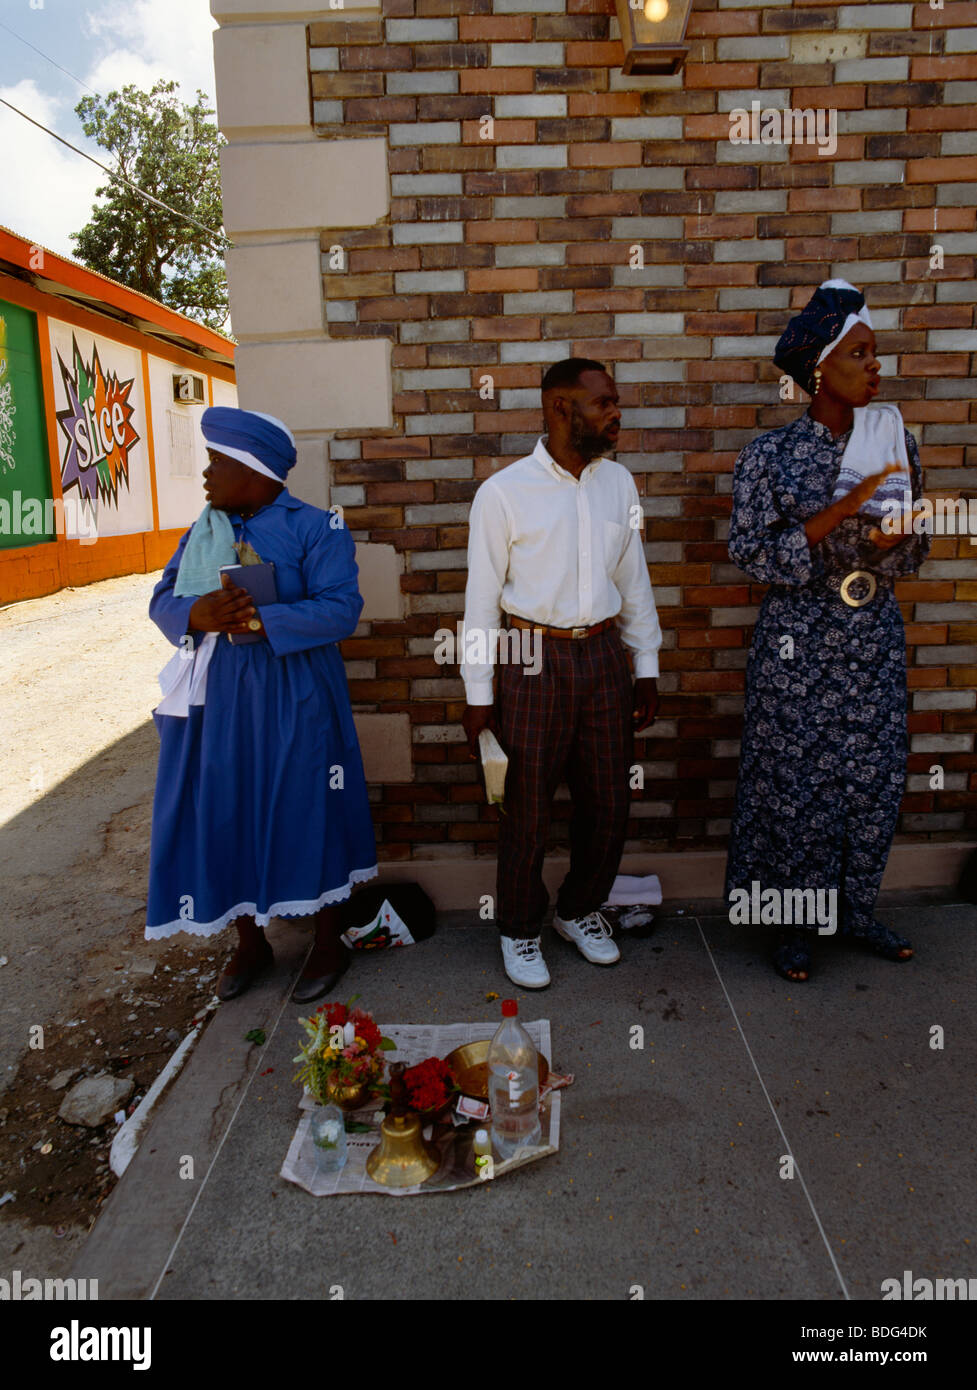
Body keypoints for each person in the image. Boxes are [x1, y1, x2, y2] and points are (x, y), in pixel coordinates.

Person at [725, 280, 930, 982]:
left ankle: (853, 909)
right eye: (860, 354)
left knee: (869, 780)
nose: (875, 368)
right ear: (818, 370)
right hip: (797, 645)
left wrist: (888, 539)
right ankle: (789, 923)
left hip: (869, 635)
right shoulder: (768, 458)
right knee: (793, 783)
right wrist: (846, 507)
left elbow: (913, 551)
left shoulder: (891, 441)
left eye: (875, 354)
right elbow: (754, 555)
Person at [145, 406, 377, 1003]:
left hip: (295, 692)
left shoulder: (316, 527)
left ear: (254, 471)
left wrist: (259, 616)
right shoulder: (202, 530)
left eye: (217, 463)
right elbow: (164, 597)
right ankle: (249, 942)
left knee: (308, 804)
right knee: (221, 808)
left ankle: (327, 941)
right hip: (217, 697)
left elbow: (340, 608)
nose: (206, 475)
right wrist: (193, 614)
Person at [461, 358, 662, 988]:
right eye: (603, 403)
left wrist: (646, 664)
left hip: (603, 658)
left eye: (615, 401)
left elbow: (633, 578)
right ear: (560, 409)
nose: (615, 413)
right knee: (525, 808)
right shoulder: (503, 493)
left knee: (609, 800)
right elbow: (480, 601)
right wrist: (478, 694)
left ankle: (579, 911)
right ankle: (520, 930)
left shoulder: (619, 486)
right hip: (530, 658)